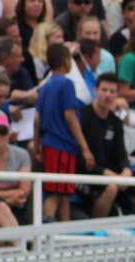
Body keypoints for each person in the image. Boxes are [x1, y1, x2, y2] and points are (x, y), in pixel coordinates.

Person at [32, 42, 91, 222]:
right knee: (56, 192)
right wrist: (85, 148)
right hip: (61, 145)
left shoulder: (45, 86)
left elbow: (36, 119)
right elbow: (70, 117)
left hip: (51, 144)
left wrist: (36, 147)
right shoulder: (66, 84)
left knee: (64, 192)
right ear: (66, 61)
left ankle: (63, 238)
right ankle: (44, 229)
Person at [78, 71, 134, 218]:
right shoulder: (82, 116)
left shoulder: (115, 122)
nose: (107, 95)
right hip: (86, 173)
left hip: (111, 174)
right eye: (104, 90)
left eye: (112, 91)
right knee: (111, 187)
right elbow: (81, 160)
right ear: (95, 91)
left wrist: (126, 171)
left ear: (117, 95)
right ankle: (97, 229)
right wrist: (111, 175)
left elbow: (121, 154)